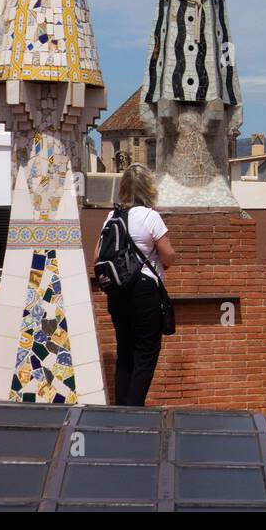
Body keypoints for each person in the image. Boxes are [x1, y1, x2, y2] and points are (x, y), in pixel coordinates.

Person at [103, 163, 176, 406]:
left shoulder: (112, 216)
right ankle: (134, 410)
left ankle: (121, 408)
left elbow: (97, 256)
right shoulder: (150, 216)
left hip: (117, 292)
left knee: (125, 351)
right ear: (149, 188)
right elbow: (169, 256)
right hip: (144, 292)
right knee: (146, 353)